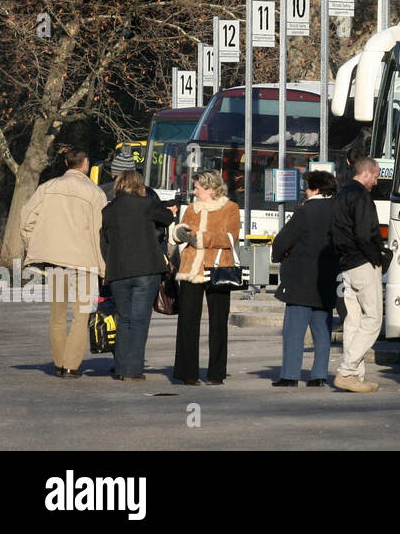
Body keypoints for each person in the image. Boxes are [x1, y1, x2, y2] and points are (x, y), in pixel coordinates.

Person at [14, 147, 106, 378]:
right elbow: (101, 232)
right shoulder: (95, 193)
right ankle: (71, 365)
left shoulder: (47, 188)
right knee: (80, 314)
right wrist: (103, 266)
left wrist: (34, 242)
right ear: (85, 164)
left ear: (66, 162)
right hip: (84, 260)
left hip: (55, 260)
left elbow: (26, 219)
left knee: (57, 315)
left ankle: (58, 362)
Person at [101, 171, 175, 381]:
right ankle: (133, 370)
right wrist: (170, 210)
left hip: (118, 272)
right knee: (140, 320)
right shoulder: (146, 204)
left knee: (124, 319)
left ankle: (121, 367)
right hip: (145, 270)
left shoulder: (109, 210)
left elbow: (104, 241)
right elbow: (167, 218)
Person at [172, 169, 241, 385]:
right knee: (187, 322)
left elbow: (231, 237)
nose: (194, 191)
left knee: (218, 323)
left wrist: (200, 238)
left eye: (197, 187)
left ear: (210, 188)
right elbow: (182, 228)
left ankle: (216, 373)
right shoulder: (192, 208)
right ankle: (187, 373)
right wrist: (179, 232)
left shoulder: (230, 208)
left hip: (218, 267)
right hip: (190, 269)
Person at [271, 170, 339, 387]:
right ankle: (319, 375)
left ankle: (290, 375)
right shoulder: (338, 211)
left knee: (294, 331)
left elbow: (282, 241)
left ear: (316, 189)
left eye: (307, 187)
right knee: (322, 331)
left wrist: (279, 256)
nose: (305, 191)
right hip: (327, 277)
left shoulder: (305, 211)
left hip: (300, 278)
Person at [330, 157, 384, 393]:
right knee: (373, 319)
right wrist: (377, 257)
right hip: (362, 262)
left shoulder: (340, 195)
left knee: (353, 321)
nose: (376, 181)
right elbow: (364, 234)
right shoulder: (362, 196)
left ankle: (356, 376)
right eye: (376, 175)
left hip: (345, 264)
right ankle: (348, 370)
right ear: (367, 173)